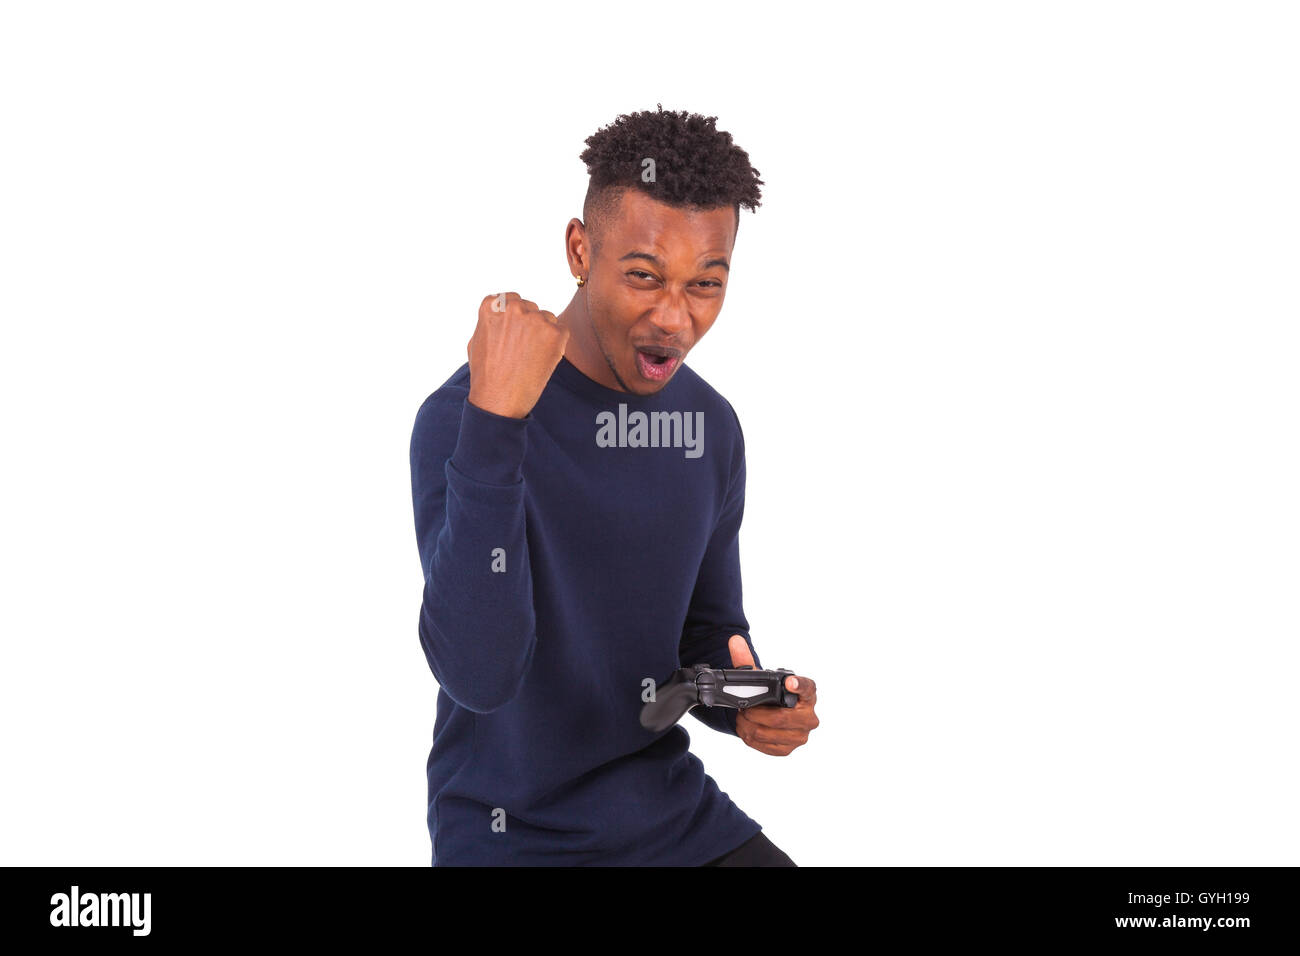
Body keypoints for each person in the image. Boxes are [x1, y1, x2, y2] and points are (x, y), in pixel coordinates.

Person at [409, 105, 819, 866]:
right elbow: (480, 673)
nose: (675, 317)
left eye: (706, 283)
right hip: (510, 837)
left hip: (667, 818)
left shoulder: (709, 427)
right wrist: (496, 424)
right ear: (579, 249)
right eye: (643, 276)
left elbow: (706, 632)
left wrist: (747, 706)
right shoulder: (465, 419)